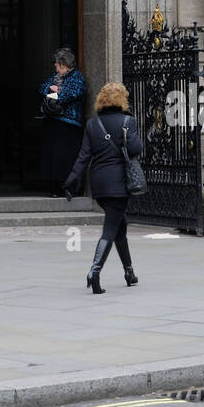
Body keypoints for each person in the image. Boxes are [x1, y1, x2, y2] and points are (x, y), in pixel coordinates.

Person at [63, 81, 143, 294]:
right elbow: (137, 148)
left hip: (98, 183)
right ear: (122, 100)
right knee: (110, 229)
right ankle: (94, 271)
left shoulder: (92, 124)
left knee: (120, 227)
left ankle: (129, 272)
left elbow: (83, 156)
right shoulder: (128, 121)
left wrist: (72, 179)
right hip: (118, 184)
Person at [37, 48, 86, 196]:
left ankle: (68, 187)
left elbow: (69, 95)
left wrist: (55, 92)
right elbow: (42, 88)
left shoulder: (77, 77)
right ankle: (54, 187)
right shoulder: (55, 76)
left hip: (69, 124)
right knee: (52, 156)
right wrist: (53, 90)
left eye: (57, 64)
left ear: (63, 64)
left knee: (65, 156)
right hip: (53, 121)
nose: (55, 66)